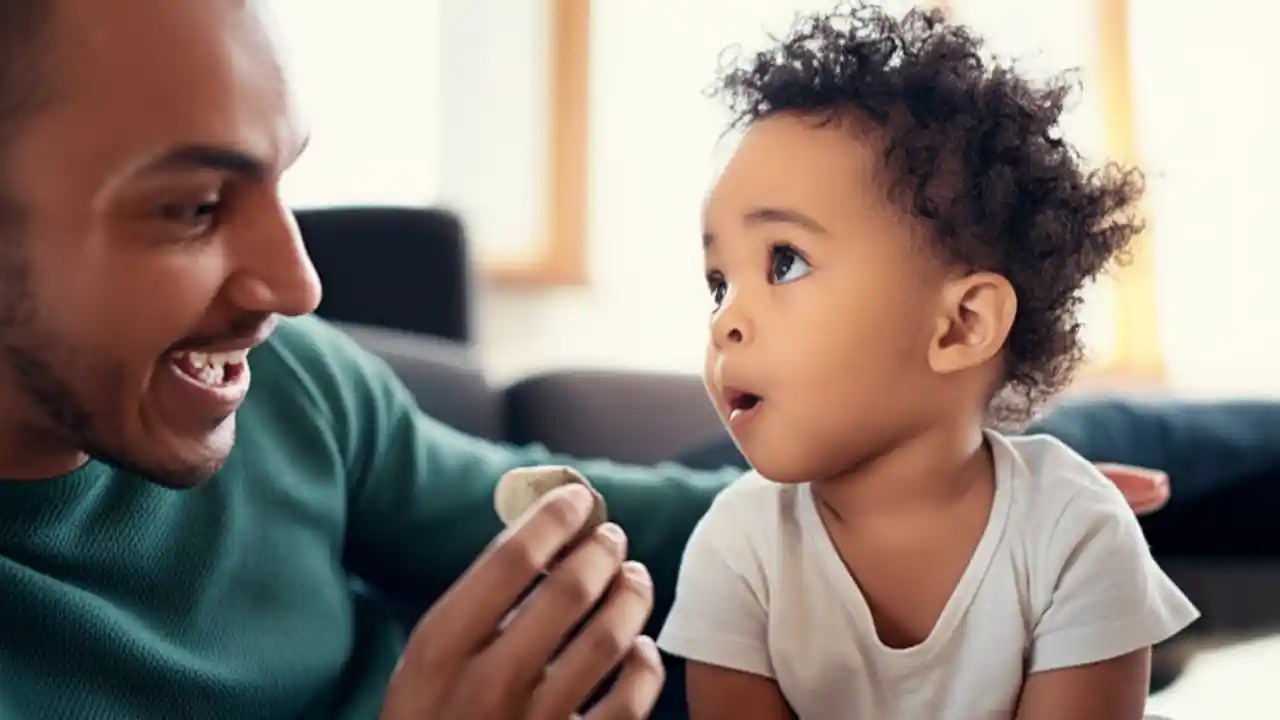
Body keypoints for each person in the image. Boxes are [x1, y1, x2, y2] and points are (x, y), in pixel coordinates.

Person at [0, 1, 1184, 718]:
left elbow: (558, 509)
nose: (300, 286)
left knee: (1084, 443)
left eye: (281, 177)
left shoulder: (299, 389)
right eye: (195, 207)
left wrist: (911, 483)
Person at [654, 4, 1198, 719]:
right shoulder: (738, 549)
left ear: (961, 324)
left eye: (784, 262)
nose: (725, 320)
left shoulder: (1077, 531)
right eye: (718, 284)